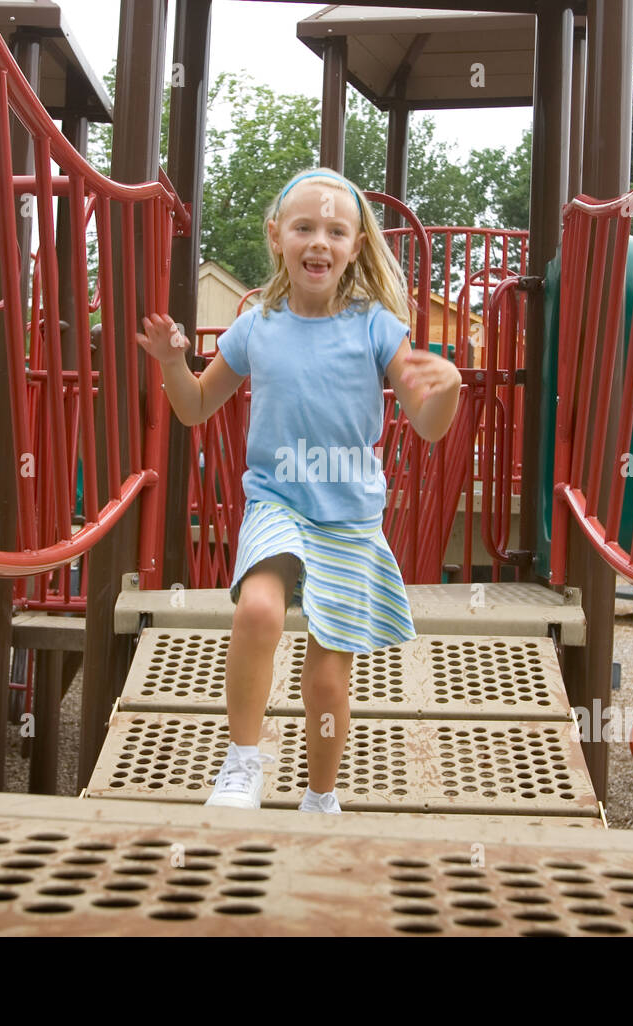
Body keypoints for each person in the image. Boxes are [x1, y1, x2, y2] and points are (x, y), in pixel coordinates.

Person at [136, 167, 462, 813]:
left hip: (347, 518)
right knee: (257, 610)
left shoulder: (375, 327)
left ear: (356, 246)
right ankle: (241, 764)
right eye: (305, 227)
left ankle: (320, 797)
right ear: (277, 235)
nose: (319, 241)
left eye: (336, 230)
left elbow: (426, 425)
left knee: (327, 679)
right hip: (277, 501)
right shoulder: (258, 324)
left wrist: (446, 390)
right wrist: (175, 364)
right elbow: (197, 407)